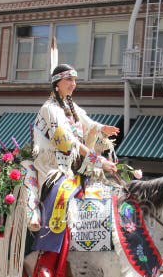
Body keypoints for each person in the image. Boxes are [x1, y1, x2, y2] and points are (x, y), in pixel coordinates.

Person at [27, 63, 119, 230]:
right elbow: (70, 142)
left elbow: (88, 123)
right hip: (53, 166)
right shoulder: (49, 109)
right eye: (69, 79)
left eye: (75, 80)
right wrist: (99, 161)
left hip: (74, 164)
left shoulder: (70, 105)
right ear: (57, 83)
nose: (73, 84)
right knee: (60, 195)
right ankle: (45, 234)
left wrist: (101, 129)